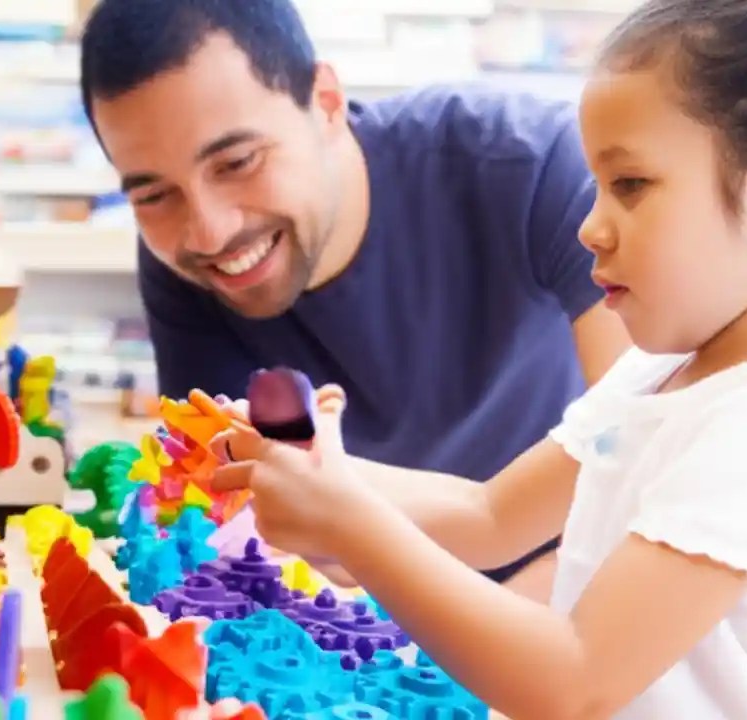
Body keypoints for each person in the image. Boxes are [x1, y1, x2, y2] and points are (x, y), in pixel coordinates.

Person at [212, 0, 747, 717]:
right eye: (597, 184)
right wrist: (308, 466)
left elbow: (576, 680)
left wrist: (349, 525)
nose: (590, 226)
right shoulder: (665, 376)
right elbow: (487, 513)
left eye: (631, 185)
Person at [78, 0, 632, 592]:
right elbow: (267, 526)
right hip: (384, 614)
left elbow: (648, 458)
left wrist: (499, 637)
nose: (208, 231)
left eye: (238, 162)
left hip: (575, 585)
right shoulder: (187, 263)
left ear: (325, 103)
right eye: (154, 196)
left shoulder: (532, 164)